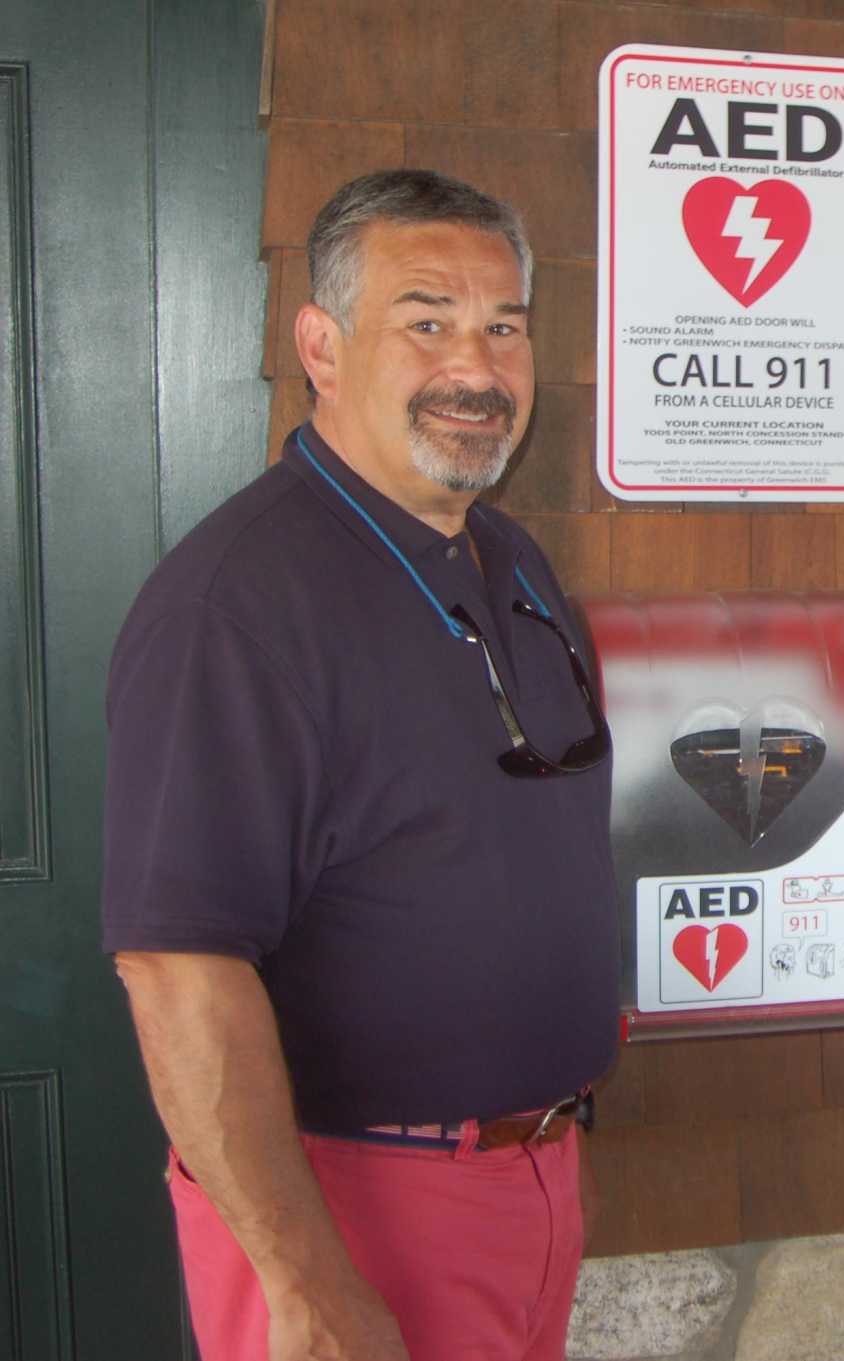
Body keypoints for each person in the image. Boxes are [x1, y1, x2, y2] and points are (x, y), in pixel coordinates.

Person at [102, 169, 618, 1361]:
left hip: (526, 1179)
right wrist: (306, 1283)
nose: (476, 369)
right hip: (350, 1202)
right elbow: (178, 968)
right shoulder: (235, 606)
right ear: (321, 345)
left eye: (504, 327)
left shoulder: (514, 561)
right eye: (426, 319)